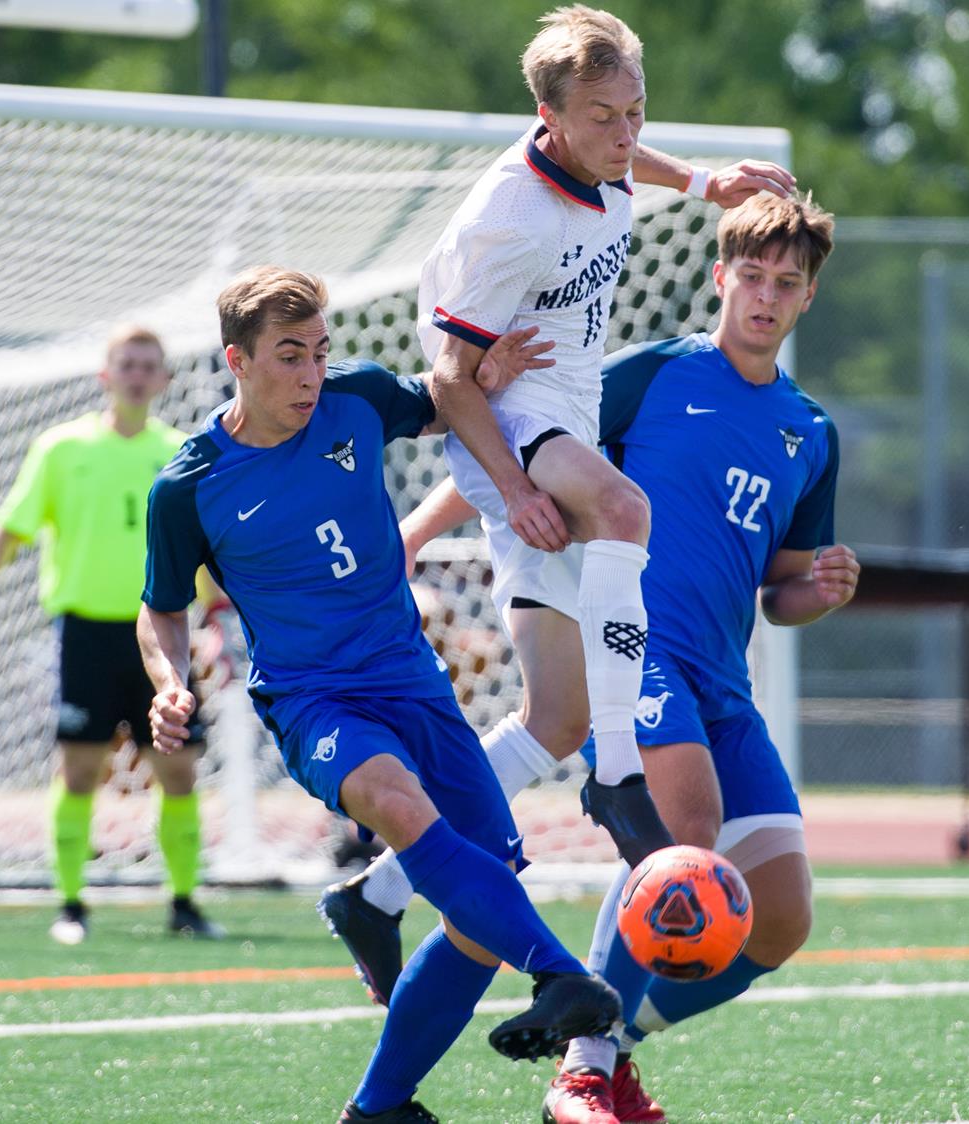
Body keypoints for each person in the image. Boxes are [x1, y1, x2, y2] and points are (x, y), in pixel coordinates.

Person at [319, 2, 798, 1004]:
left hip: (553, 413)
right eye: (603, 117)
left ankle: (378, 889)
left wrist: (705, 182)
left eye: (635, 111)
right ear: (547, 114)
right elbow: (451, 381)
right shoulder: (505, 217)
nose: (624, 135)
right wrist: (511, 486)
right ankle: (619, 775)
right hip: (517, 416)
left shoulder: (602, 153)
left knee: (550, 716)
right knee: (625, 512)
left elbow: (632, 165)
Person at [345, 192, 858, 1123]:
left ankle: (608, 1045)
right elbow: (529, 443)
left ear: (809, 298)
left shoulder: (811, 433)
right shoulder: (655, 375)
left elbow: (780, 595)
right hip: (633, 645)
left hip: (722, 677)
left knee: (780, 917)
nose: (766, 296)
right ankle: (582, 1066)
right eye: (752, 275)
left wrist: (815, 593)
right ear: (719, 278)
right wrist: (413, 533)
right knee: (683, 827)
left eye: (788, 283)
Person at [138, 266, 617, 1124]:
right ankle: (561, 977)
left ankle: (379, 1106)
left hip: (411, 681)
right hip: (315, 702)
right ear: (236, 361)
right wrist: (170, 682)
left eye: (319, 352)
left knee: (484, 903)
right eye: (289, 356)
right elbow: (161, 611)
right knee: (395, 802)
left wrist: (488, 370)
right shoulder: (188, 484)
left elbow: (441, 398)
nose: (311, 374)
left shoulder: (355, 398)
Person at [0, 325, 219, 945]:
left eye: (150, 364)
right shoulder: (61, 448)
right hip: (86, 634)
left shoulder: (184, 451)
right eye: (127, 363)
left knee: (177, 771)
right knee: (79, 770)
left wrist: (222, 621)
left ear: (164, 379)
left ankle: (184, 903)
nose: (138, 374)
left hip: (163, 633)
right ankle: (71, 905)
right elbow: (9, 524)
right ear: (105, 375)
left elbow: (205, 548)